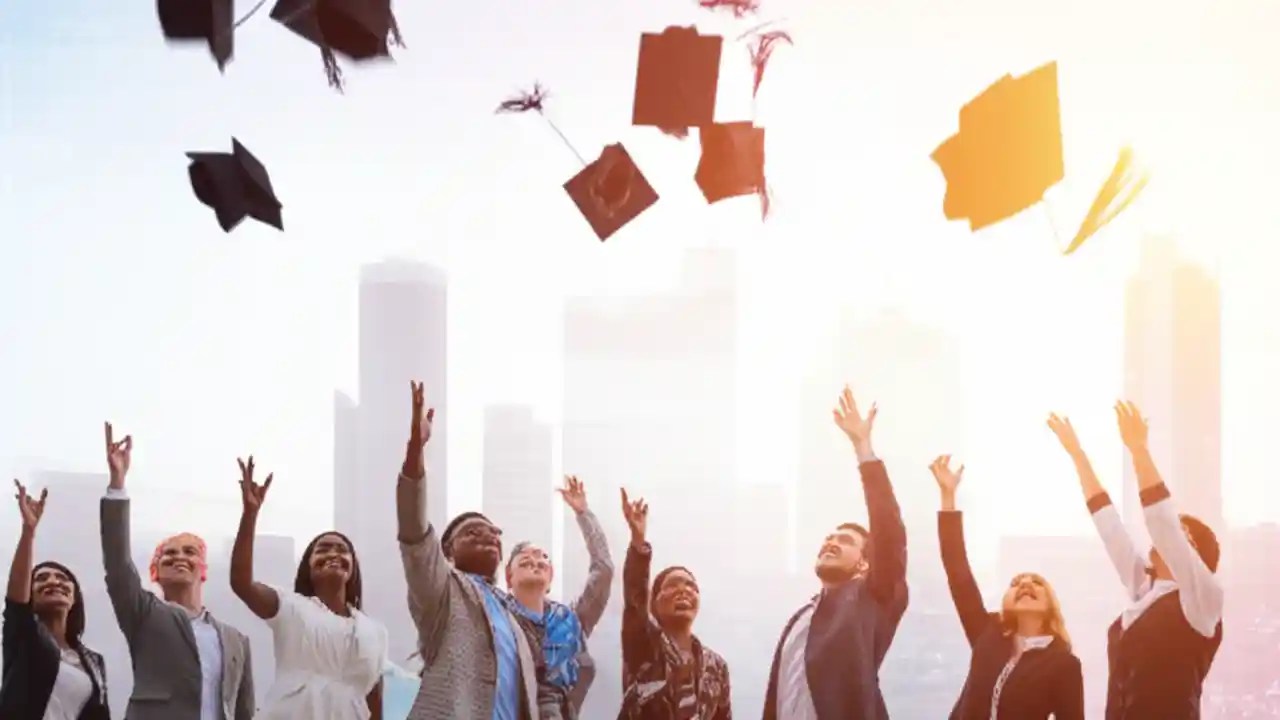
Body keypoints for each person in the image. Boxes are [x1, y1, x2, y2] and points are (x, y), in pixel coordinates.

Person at [1047, 403, 1224, 719]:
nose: (1166, 537)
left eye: (1184, 533)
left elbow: (1163, 523)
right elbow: (1109, 527)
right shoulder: (1145, 590)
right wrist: (1077, 455)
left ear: (1196, 555)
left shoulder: (1204, 601)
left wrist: (1139, 451)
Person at [763, 385, 908, 720]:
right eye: (828, 537)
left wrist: (863, 450)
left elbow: (889, 534)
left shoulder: (871, 597)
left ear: (865, 563)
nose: (831, 542)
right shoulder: (800, 619)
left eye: (845, 540)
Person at [395, 382, 540, 719]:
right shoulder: (443, 591)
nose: (487, 536)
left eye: (494, 532)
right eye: (473, 532)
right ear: (447, 551)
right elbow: (414, 534)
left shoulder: (514, 616)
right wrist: (415, 454)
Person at [97, 423, 254, 720]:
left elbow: (243, 712)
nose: (179, 557)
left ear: (203, 569)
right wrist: (117, 483)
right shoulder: (144, 613)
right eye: (168, 554)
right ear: (154, 572)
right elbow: (117, 564)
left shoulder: (236, 640)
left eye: (189, 552)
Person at [229, 456, 388, 719]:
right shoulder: (291, 607)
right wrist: (250, 515)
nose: (333, 554)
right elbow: (241, 583)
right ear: (309, 567)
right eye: (323, 549)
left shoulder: (375, 632)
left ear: (353, 567)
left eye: (342, 550)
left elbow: (374, 702)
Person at [929, 455, 1084, 720]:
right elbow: (957, 571)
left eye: (1037, 583)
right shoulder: (987, 632)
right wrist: (948, 497)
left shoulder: (1063, 664)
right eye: (1016, 583)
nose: (1025, 584)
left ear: (1050, 605)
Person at [503, 474, 615, 719]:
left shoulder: (571, 621)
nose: (535, 558)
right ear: (509, 576)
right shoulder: (496, 617)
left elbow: (603, 571)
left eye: (543, 557)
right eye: (524, 558)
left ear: (551, 577)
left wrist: (583, 513)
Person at [618, 488, 732, 720]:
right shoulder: (643, 646)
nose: (683, 590)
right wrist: (638, 543)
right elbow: (635, 599)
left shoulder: (717, 666)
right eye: (672, 585)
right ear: (654, 602)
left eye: (691, 586)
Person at [2, 480, 110, 720]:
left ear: (74, 598)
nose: (53, 581)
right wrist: (28, 532)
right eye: (41, 579)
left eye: (62, 578)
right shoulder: (23, 638)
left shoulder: (93, 661)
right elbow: (16, 604)